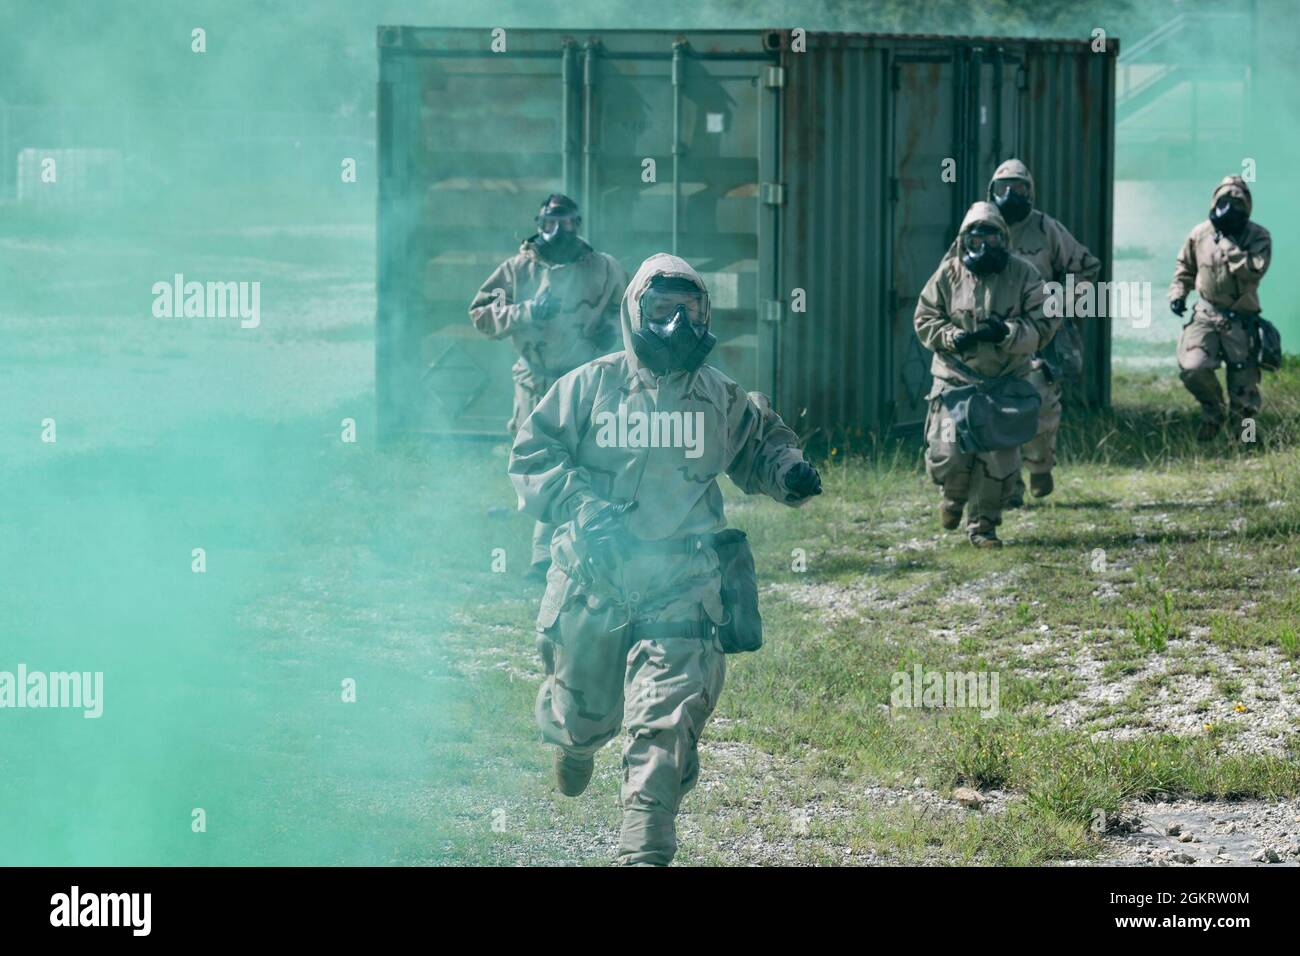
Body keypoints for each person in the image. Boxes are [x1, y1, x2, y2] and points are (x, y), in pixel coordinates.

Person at [508, 253, 822, 865]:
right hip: (595, 579)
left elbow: (763, 443)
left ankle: (643, 847)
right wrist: (577, 504)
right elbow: (531, 452)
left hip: (681, 579)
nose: (677, 325)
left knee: (663, 723)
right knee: (585, 717)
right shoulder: (590, 386)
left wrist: (789, 474)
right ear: (634, 314)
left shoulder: (718, 397)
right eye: (660, 311)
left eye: (691, 310)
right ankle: (574, 744)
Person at [469, 194, 627, 577]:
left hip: (584, 383)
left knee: (585, 463)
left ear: (578, 223)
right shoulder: (517, 271)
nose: (557, 233)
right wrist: (523, 313)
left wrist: (611, 330)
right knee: (539, 466)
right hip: (535, 384)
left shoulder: (603, 268)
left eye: (566, 223)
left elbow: (627, 307)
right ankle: (548, 557)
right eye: (549, 224)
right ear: (538, 224)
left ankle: (564, 557)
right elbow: (481, 315)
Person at [914, 202, 1057, 548]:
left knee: (999, 462)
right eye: (976, 237)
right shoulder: (947, 275)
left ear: (1004, 239)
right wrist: (950, 336)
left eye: (992, 236)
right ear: (965, 240)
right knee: (947, 452)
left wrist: (1006, 332)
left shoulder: (1024, 275)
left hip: (1004, 383)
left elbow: (1046, 322)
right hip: (954, 381)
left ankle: (983, 527)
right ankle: (952, 497)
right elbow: (924, 318)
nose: (984, 244)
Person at [984, 158, 1100, 505]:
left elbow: (1086, 266)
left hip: (1038, 335)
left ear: (1030, 193)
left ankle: (1040, 466)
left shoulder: (1046, 229)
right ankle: (1009, 486)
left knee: (1039, 405)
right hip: (996, 336)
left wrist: (1061, 304)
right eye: (1004, 189)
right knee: (996, 412)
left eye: (1019, 189)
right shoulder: (981, 227)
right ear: (992, 192)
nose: (1011, 196)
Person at [1170, 175, 1272, 441]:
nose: (1230, 208)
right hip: (1206, 314)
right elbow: (1185, 268)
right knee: (1193, 368)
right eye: (1224, 202)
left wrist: (1227, 241)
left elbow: (1253, 271)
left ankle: (1246, 439)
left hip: (1241, 319)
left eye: (1237, 203)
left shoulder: (1258, 236)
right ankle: (1214, 413)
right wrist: (1178, 294)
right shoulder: (1199, 234)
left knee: (1244, 390)